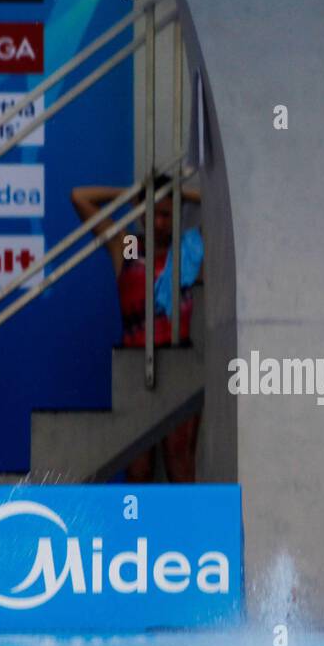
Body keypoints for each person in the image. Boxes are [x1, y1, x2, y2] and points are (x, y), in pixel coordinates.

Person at [70, 178, 204, 482]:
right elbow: (79, 195)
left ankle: (184, 531)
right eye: (151, 212)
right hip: (134, 366)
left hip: (178, 364)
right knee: (138, 469)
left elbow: (220, 205)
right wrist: (133, 194)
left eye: (167, 215)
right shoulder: (128, 246)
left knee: (180, 464)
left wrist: (182, 194)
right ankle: (139, 530)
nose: (157, 222)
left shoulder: (188, 251)